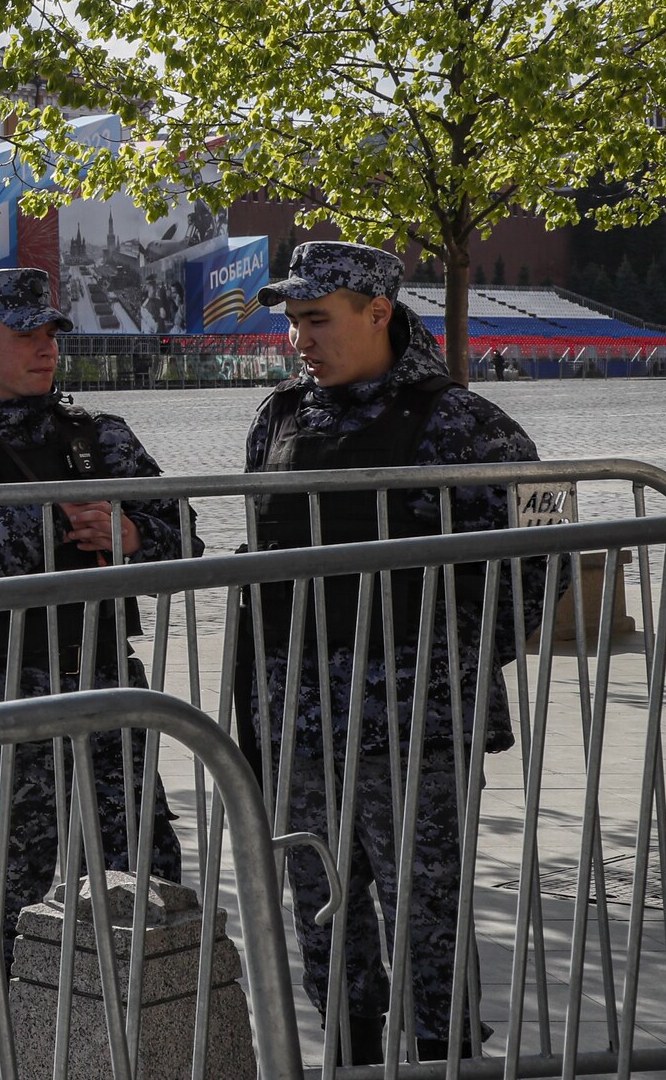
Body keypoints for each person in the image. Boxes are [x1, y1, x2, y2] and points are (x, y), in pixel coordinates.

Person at [240, 241, 548, 1067]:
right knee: (323, 920)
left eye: (318, 318)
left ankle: (445, 1057)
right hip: (301, 728)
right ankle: (349, 1056)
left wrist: (447, 660)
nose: (300, 338)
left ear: (378, 312)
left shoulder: (464, 424)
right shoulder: (278, 418)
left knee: (429, 919)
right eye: (294, 321)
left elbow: (539, 561)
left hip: (414, 730)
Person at [0, 267, 196, 1016]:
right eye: (25, 333)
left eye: (51, 331)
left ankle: (146, 1040)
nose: (46, 347)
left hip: (105, 690)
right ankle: (9, 1046)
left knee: (147, 880)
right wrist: (43, 518)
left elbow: (185, 534)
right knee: (10, 901)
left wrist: (129, 533)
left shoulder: (99, 437)